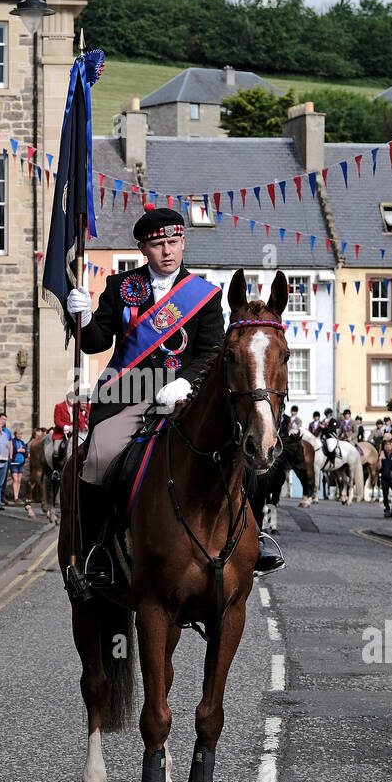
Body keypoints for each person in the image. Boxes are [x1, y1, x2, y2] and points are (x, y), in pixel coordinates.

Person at [64, 204, 249, 587]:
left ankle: (251, 543)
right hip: (127, 392)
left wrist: (185, 380)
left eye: (174, 242)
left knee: (240, 451)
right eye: (158, 244)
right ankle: (98, 550)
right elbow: (96, 343)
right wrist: (81, 317)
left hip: (186, 398)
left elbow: (212, 351)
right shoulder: (121, 287)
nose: (167, 251)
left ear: (183, 243)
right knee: (98, 455)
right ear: (142, 249)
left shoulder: (205, 296)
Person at [9, 427, 27, 502]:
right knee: (15, 480)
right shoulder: (13, 441)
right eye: (18, 434)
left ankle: (17, 496)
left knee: (19, 480)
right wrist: (18, 450)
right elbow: (11, 451)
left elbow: (25, 452)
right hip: (14, 463)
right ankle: (15, 497)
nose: (19, 435)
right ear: (15, 434)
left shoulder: (22, 442)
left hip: (21, 463)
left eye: (20, 434)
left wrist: (25, 451)